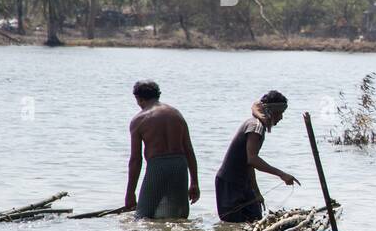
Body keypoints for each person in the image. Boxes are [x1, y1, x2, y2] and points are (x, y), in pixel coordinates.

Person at [214, 91, 299, 222]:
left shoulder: (258, 126)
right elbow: (252, 159)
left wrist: (256, 193)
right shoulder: (256, 127)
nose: (281, 117)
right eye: (279, 113)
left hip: (243, 183)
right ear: (270, 111)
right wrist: (282, 174)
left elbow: (249, 165)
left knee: (254, 219)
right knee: (233, 223)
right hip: (229, 184)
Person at [125, 80, 200, 219]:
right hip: (180, 165)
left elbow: (136, 160)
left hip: (158, 166)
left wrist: (130, 192)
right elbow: (189, 150)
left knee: (143, 216)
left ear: (138, 98)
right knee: (179, 216)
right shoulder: (176, 115)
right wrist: (194, 181)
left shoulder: (139, 120)